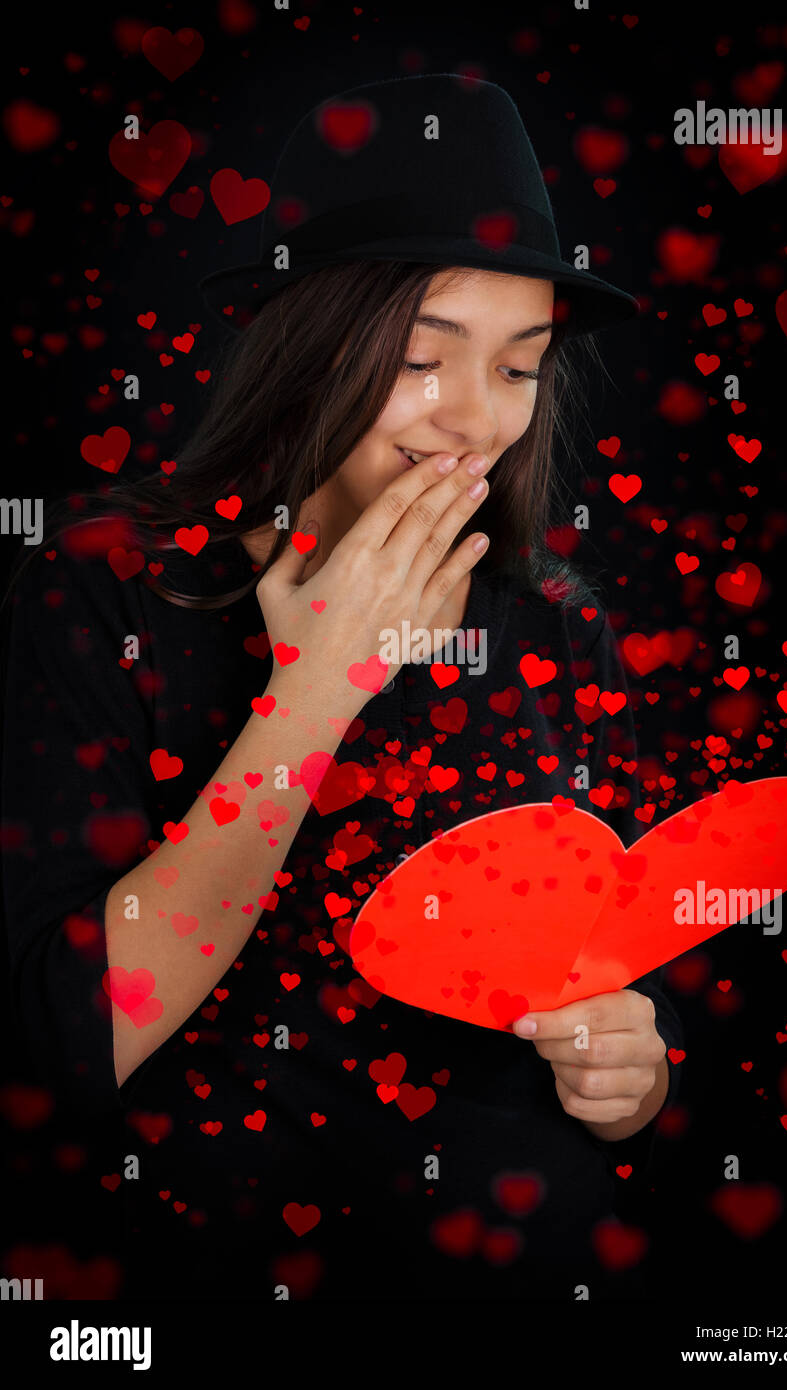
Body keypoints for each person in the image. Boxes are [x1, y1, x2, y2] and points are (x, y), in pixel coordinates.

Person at [0, 73, 683, 1301]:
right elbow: (74, 1041)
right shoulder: (101, 592)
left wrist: (633, 1076)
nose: (477, 419)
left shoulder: (558, 626)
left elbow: (620, 977)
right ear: (307, 343)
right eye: (425, 356)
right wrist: (316, 693)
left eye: (520, 368)